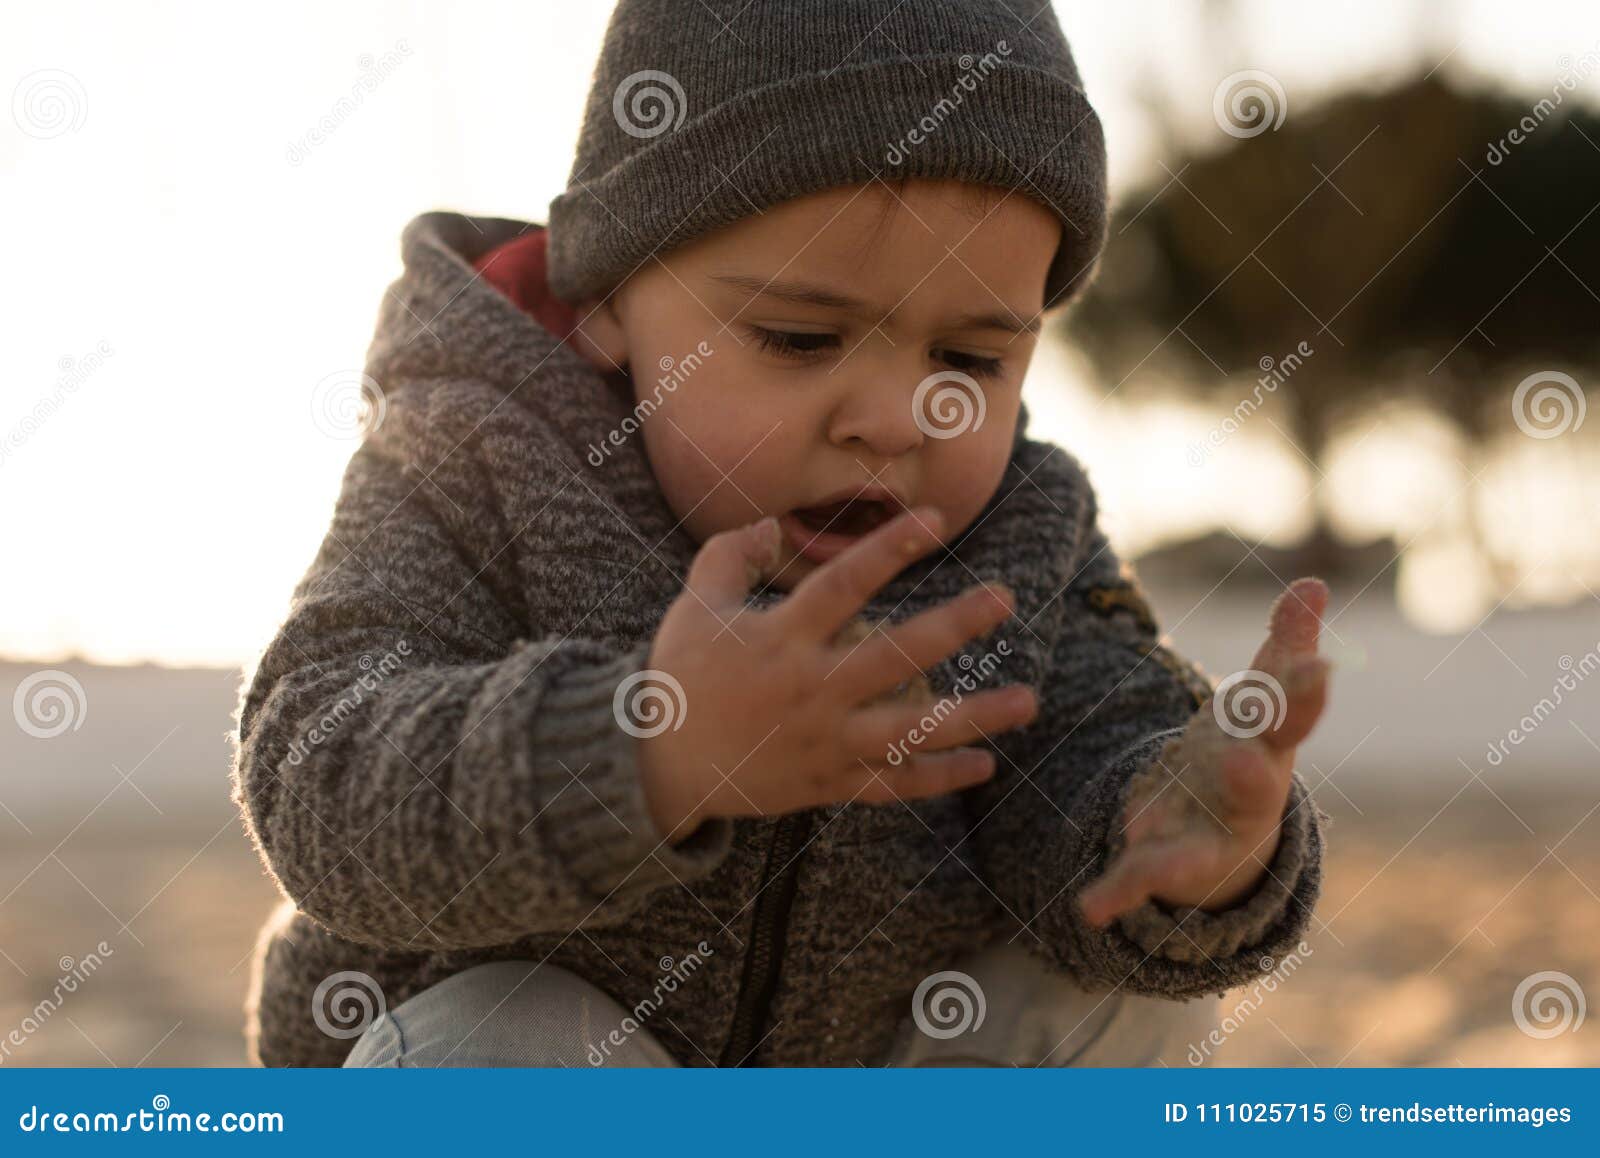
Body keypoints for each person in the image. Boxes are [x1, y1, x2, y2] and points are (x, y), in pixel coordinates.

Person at [231, 0, 1331, 1069]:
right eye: (802, 337)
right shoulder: (471, 457)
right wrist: (645, 751)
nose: (901, 418)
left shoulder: (1018, 530)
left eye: (972, 360)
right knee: (503, 1042)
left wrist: (1178, 832)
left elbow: (1093, 740)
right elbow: (316, 763)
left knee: (1123, 1011)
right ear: (608, 293)